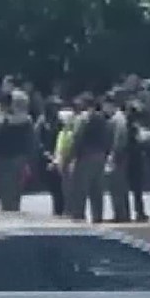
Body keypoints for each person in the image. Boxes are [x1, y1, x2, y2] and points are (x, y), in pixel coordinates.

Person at [0, 90, 38, 212]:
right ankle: (14, 212)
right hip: (20, 160)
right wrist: (30, 162)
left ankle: (8, 215)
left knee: (4, 194)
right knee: (16, 193)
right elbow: (32, 143)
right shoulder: (27, 121)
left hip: (3, 161)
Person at [67, 93, 112, 223]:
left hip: (85, 157)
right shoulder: (103, 118)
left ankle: (79, 218)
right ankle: (98, 218)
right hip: (100, 156)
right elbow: (108, 137)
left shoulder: (82, 118)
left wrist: (71, 157)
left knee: (80, 190)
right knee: (97, 190)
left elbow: (77, 138)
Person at [103, 95, 132, 223]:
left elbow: (119, 140)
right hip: (119, 156)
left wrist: (112, 156)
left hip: (118, 157)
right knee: (118, 187)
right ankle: (121, 213)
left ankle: (121, 214)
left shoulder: (117, 119)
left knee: (117, 186)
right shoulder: (117, 118)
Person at [35, 100, 66, 216]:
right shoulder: (42, 122)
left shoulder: (60, 122)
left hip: (59, 155)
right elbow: (37, 141)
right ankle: (57, 210)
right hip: (46, 157)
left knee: (59, 186)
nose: (55, 110)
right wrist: (47, 155)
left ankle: (60, 210)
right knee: (53, 186)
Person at [124, 100, 150, 222]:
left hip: (131, 159)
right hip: (134, 159)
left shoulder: (128, 124)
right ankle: (139, 212)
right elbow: (140, 140)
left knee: (134, 189)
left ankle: (134, 212)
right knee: (136, 189)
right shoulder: (133, 127)